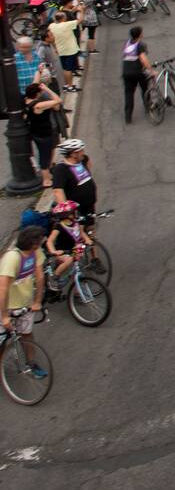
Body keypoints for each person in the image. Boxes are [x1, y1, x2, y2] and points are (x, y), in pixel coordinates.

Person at [0, 226, 49, 379]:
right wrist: (5, 316)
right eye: (40, 240)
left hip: (24, 304)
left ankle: (30, 363)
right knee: (1, 340)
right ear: (33, 243)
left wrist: (37, 301)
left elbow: (40, 277)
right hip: (5, 305)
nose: (42, 242)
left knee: (27, 334)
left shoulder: (36, 253)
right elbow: (2, 289)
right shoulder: (12, 258)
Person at [45, 200, 95, 289]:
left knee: (78, 265)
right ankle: (55, 277)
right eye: (74, 211)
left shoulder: (75, 222)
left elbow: (81, 232)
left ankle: (76, 290)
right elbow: (50, 241)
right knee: (69, 259)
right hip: (62, 252)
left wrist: (87, 239)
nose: (76, 213)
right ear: (68, 215)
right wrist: (54, 251)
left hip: (73, 249)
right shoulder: (58, 226)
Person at [24, 82, 62, 188]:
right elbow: (58, 100)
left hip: (36, 133)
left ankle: (48, 175)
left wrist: (39, 74)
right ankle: (46, 180)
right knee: (45, 156)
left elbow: (33, 83)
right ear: (37, 94)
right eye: (40, 93)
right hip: (44, 134)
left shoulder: (27, 101)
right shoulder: (38, 106)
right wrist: (47, 89)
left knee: (45, 155)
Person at [52, 138, 98, 219]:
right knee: (82, 230)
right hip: (77, 211)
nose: (83, 153)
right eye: (81, 151)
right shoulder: (60, 169)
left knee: (91, 227)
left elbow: (88, 172)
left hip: (90, 205)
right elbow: (58, 191)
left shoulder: (84, 159)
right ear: (73, 154)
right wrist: (67, 214)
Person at [121, 26, 155, 124]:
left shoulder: (127, 43)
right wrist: (151, 70)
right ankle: (148, 107)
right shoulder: (140, 45)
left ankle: (128, 117)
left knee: (129, 94)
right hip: (138, 72)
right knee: (145, 89)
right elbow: (143, 59)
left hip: (126, 72)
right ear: (140, 34)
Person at [47, 0, 83, 93]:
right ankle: (70, 87)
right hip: (70, 50)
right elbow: (80, 20)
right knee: (68, 69)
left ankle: (67, 85)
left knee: (65, 69)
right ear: (63, 19)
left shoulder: (52, 26)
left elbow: (51, 38)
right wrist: (81, 11)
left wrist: (55, 48)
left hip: (60, 50)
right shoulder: (67, 25)